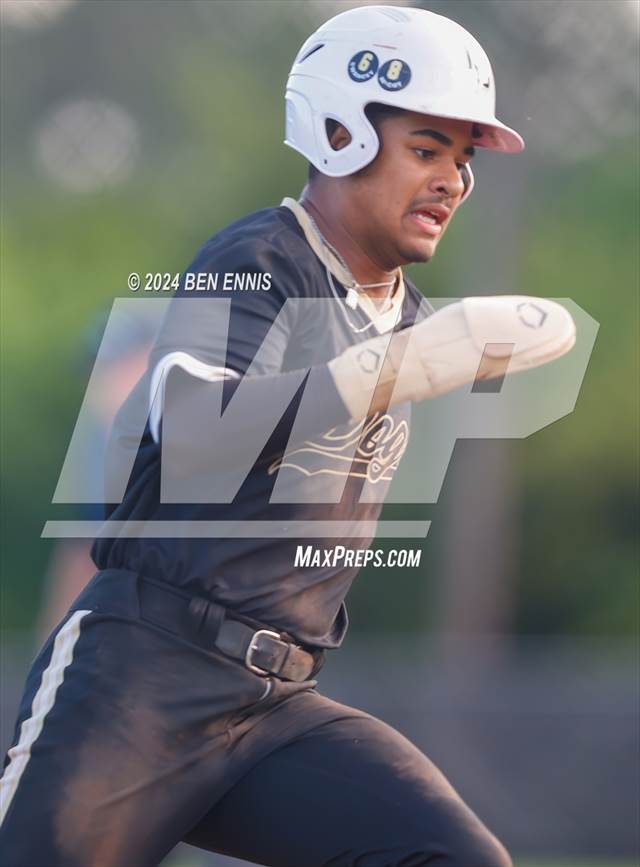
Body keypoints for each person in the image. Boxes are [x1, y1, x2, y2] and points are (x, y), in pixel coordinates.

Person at [0, 7, 575, 867]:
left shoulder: (407, 321)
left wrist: (413, 355)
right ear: (339, 131)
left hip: (273, 706)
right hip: (140, 678)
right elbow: (195, 432)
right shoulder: (260, 257)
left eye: (463, 160)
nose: (454, 180)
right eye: (427, 149)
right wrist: (405, 366)